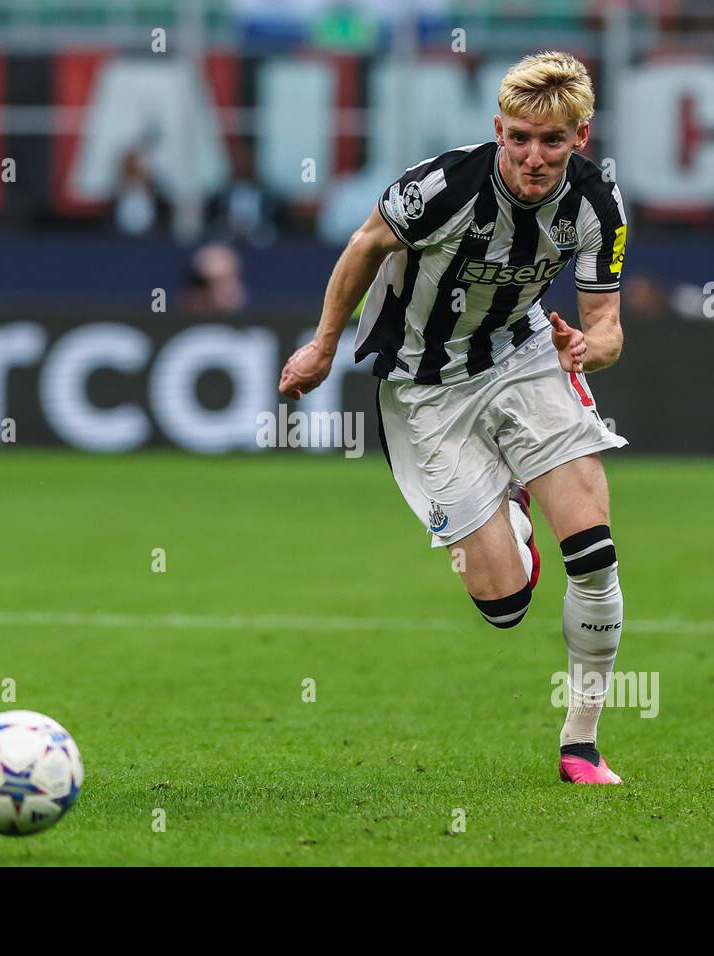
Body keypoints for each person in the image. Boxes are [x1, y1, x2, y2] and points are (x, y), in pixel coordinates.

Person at [277, 51, 630, 785]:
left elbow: (608, 329)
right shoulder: (438, 188)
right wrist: (322, 345)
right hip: (424, 389)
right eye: (521, 139)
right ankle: (511, 506)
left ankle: (582, 742)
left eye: (554, 141)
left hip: (526, 359)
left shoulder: (599, 205)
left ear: (581, 138)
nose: (535, 157)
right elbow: (365, 245)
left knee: (594, 555)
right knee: (504, 607)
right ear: (499, 130)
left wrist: (584, 351)